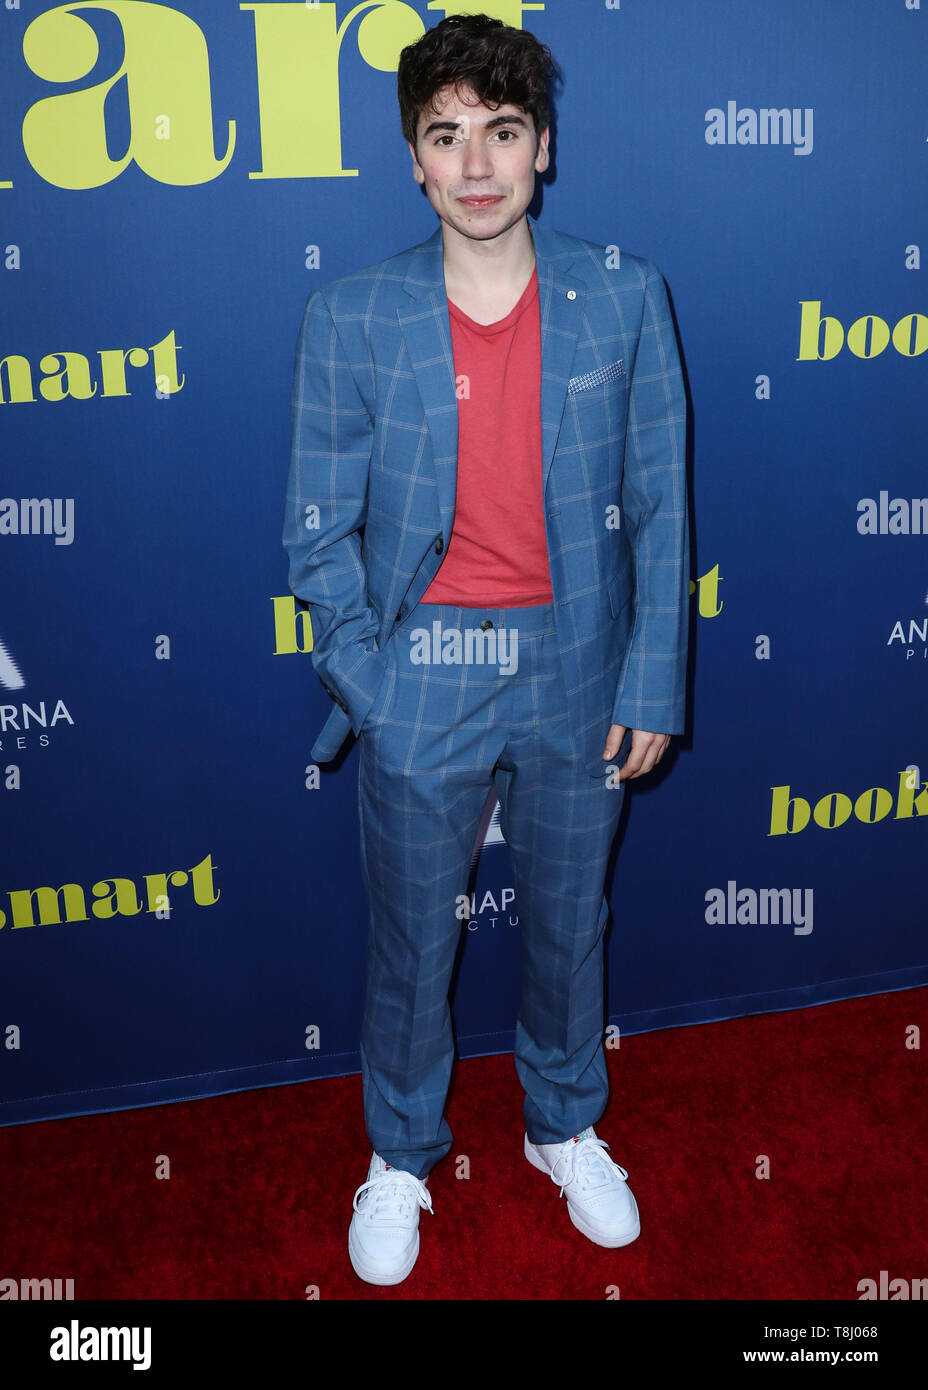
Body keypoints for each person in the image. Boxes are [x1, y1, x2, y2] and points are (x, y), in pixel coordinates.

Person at [282, 13, 689, 1287]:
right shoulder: (350, 316)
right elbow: (315, 533)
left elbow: (663, 506)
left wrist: (649, 677)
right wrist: (374, 685)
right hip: (424, 673)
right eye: (445, 136)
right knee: (414, 939)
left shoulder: (625, 293)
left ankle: (566, 1121)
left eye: (499, 134)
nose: (474, 165)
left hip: (577, 664)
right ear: (414, 159)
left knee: (570, 923)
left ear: (542, 148)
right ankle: (399, 1153)